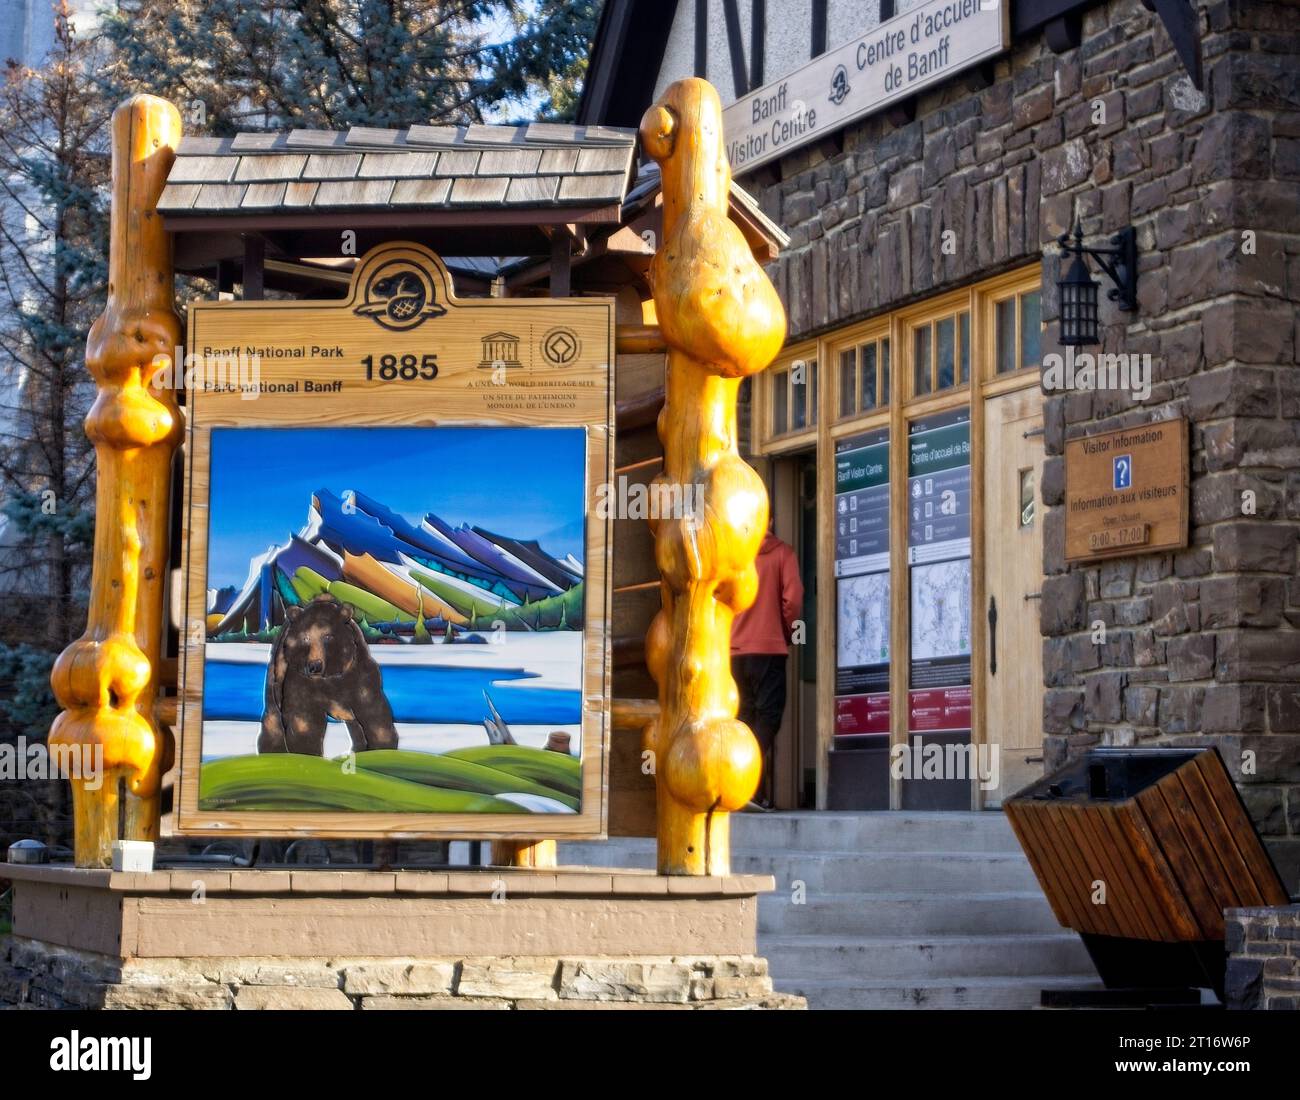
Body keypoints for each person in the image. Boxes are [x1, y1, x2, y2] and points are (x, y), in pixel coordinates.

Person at [731, 526, 804, 811]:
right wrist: (785, 631)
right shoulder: (783, 553)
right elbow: (794, 599)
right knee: (768, 717)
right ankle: (744, 784)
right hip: (768, 649)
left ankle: (747, 791)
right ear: (770, 520)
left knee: (744, 718)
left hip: (734, 650)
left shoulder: (735, 556)